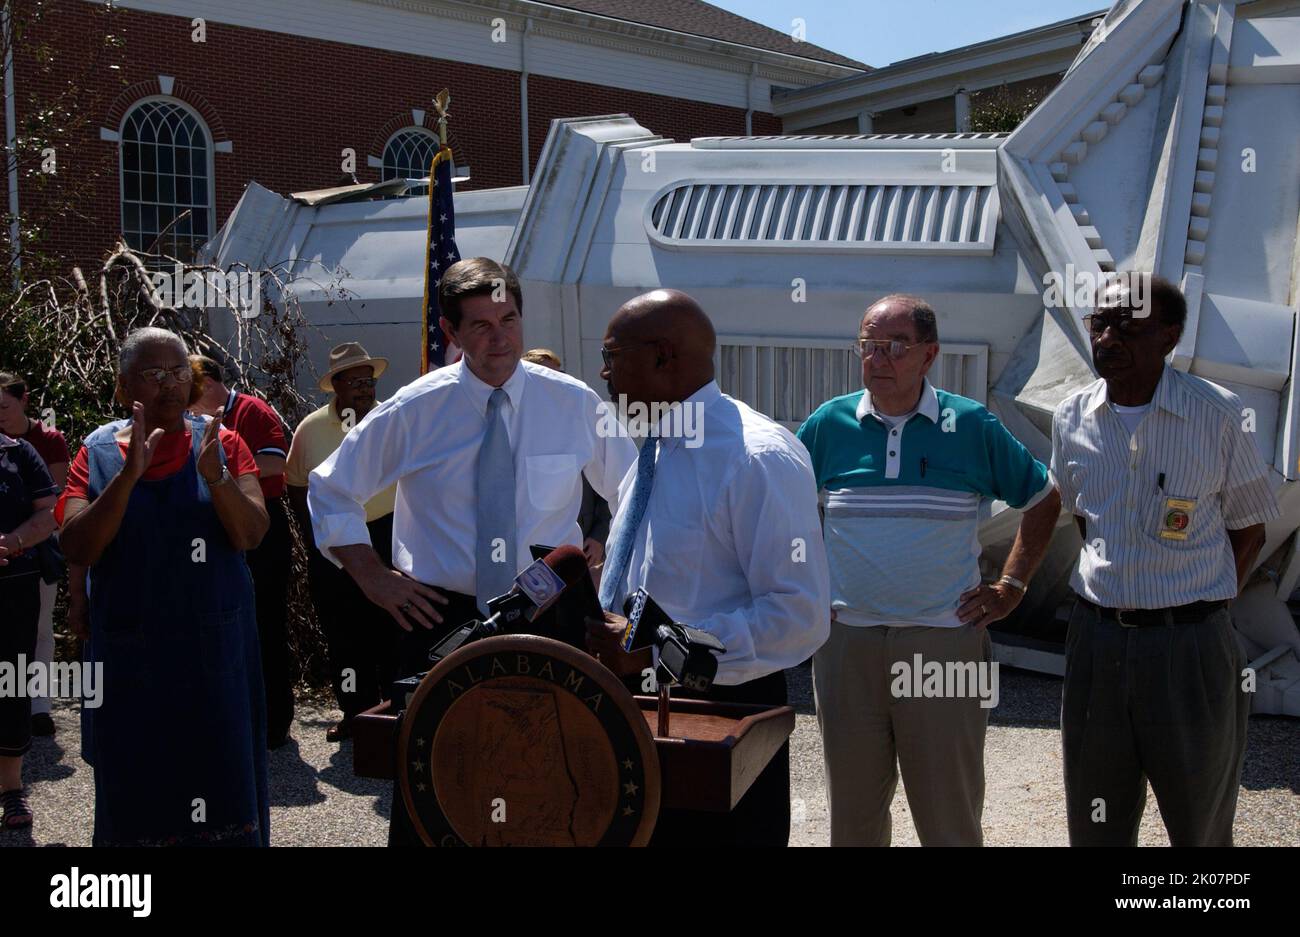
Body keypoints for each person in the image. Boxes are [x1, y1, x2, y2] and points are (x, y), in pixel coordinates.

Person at [307, 257, 636, 844]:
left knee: (550, 786)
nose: (499, 337)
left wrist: (610, 577)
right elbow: (331, 487)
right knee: (434, 790)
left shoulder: (574, 404)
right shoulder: (415, 410)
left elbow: (633, 493)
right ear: (450, 333)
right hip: (439, 622)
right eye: (480, 325)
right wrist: (373, 577)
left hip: (546, 620)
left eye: (508, 319)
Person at [796, 294, 1060, 847]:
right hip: (847, 646)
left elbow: (1042, 497)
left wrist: (1011, 585)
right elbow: (785, 511)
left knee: (948, 814)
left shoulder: (969, 425)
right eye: (869, 345)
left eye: (895, 346)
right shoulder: (829, 424)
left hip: (943, 643)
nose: (878, 358)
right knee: (854, 813)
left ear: (930, 353)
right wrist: (803, 586)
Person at [586, 289, 831, 847]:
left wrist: (658, 652)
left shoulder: (757, 457)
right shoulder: (653, 450)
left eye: (611, 353)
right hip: (636, 706)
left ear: (663, 356)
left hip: (720, 714)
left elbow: (800, 615)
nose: (603, 371)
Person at [1051, 275, 1278, 846]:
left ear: (1169, 337)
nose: (1108, 338)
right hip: (1096, 643)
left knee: (1198, 820)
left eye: (1128, 326)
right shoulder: (1071, 418)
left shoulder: (1217, 415)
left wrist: (1202, 596)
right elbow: (1086, 519)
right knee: (1096, 813)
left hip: (1190, 646)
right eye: (1099, 324)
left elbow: (1249, 525)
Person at [58, 327, 271, 846]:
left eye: (179, 371)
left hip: (214, 653)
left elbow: (250, 534)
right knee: (137, 787)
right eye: (153, 374)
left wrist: (216, 477)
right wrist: (127, 479)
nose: (169, 385)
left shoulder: (223, 442)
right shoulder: (99, 453)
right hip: (133, 658)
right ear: (122, 386)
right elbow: (77, 546)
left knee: (222, 783)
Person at [285, 342, 398, 742]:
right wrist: (317, 529)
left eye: (368, 381)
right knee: (345, 634)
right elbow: (296, 484)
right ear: (336, 386)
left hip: (389, 536)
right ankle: (356, 714)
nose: (365, 390)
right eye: (355, 382)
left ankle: (398, 713)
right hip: (334, 547)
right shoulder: (311, 429)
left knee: (394, 629)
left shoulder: (393, 417)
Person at [190, 355, 294, 748]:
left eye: (194, 388)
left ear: (212, 382)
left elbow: (275, 461)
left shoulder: (251, 409)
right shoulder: (193, 419)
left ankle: (275, 720)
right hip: (218, 528)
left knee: (267, 621)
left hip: (262, 525)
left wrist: (225, 464)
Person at [0, 373, 69, 737]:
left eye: (4, 407)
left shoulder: (47, 440)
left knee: (39, 627)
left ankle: (37, 705)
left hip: (36, 547)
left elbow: (55, 500)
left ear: (23, 401)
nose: (0, 414)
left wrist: (20, 538)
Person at [0, 417, 59, 828]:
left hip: (12, 590)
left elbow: (49, 514)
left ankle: (11, 790)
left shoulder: (19, 454)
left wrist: (9, 542)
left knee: (10, 687)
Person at [522, 348, 610, 570]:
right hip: (534, 564)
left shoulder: (579, 425)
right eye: (547, 377)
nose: (556, 383)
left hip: (583, 558)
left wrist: (599, 538)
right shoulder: (517, 434)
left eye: (559, 375)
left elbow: (612, 488)